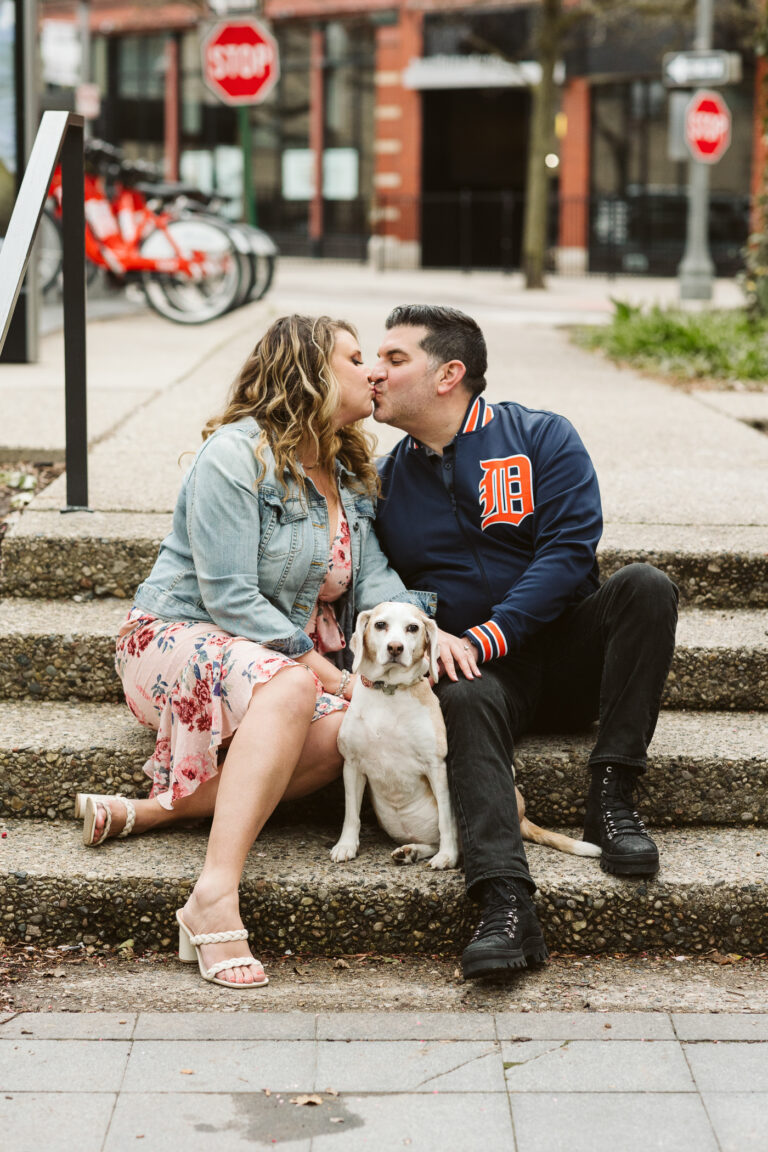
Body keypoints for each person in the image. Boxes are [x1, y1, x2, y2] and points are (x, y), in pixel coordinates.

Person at [79, 314, 434, 990]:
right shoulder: (236, 455)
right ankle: (214, 892)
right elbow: (229, 596)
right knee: (299, 690)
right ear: (312, 374)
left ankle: (157, 809)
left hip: (267, 662)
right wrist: (330, 671)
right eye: (357, 359)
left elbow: (374, 576)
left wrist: (419, 626)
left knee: (344, 736)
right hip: (175, 640)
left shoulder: (348, 472)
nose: (374, 373)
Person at [370, 304, 678, 981]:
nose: (374, 372)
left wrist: (489, 632)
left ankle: (613, 798)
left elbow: (569, 552)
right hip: (481, 678)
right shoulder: (388, 479)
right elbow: (382, 581)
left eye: (394, 360)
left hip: (567, 654)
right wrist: (439, 631)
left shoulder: (540, 437)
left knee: (645, 586)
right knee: (466, 701)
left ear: (449, 374)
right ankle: (505, 902)